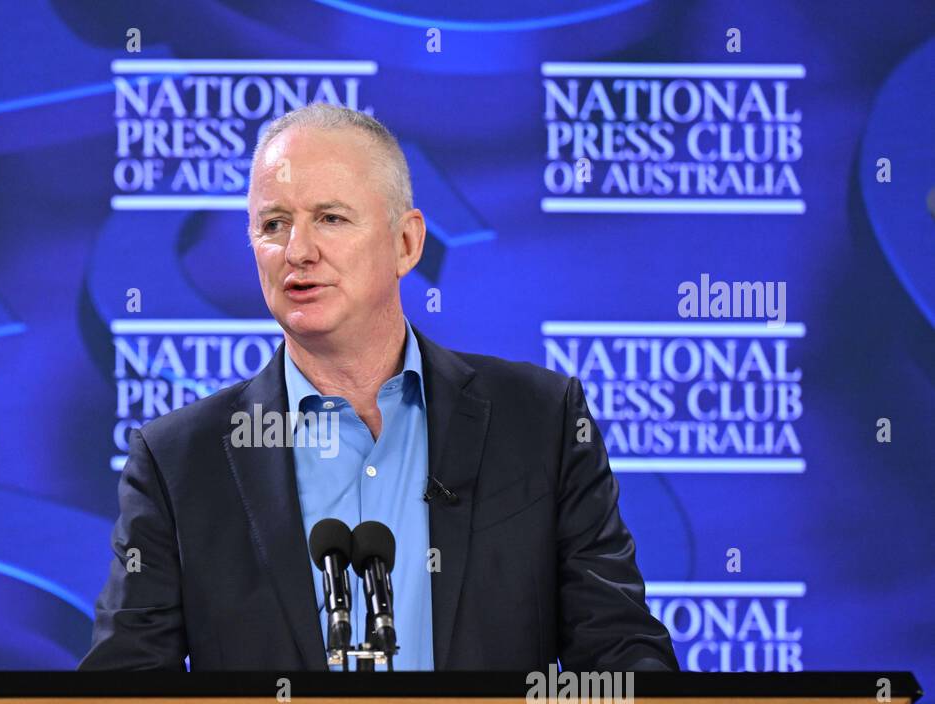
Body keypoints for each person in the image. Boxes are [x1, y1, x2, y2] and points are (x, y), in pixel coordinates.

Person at [80, 103, 678, 672]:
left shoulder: (540, 423)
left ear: (407, 243)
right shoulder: (180, 460)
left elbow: (619, 650)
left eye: (330, 218)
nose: (298, 251)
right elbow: (125, 694)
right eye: (273, 224)